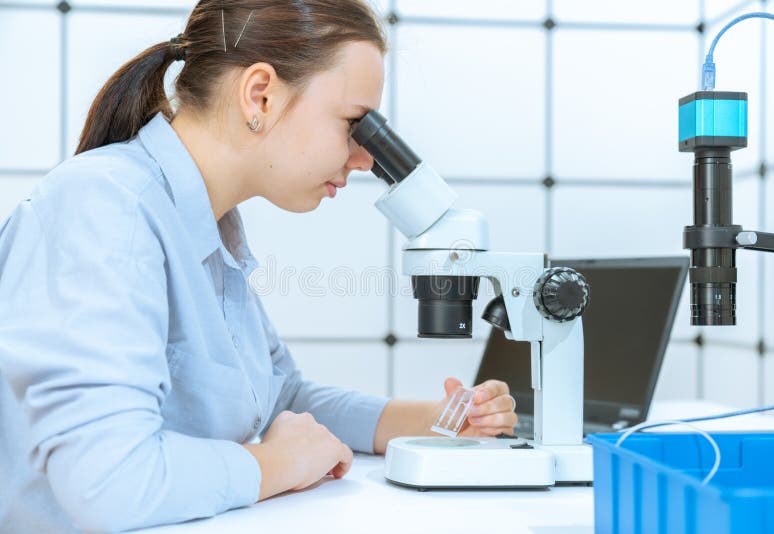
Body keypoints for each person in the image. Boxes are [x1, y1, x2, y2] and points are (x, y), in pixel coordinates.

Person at [0, 1, 518, 532]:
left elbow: (280, 398)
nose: (365, 159)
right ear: (260, 95)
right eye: (353, 124)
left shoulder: (209, 228)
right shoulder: (104, 207)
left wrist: (431, 421)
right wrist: (277, 463)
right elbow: (110, 481)